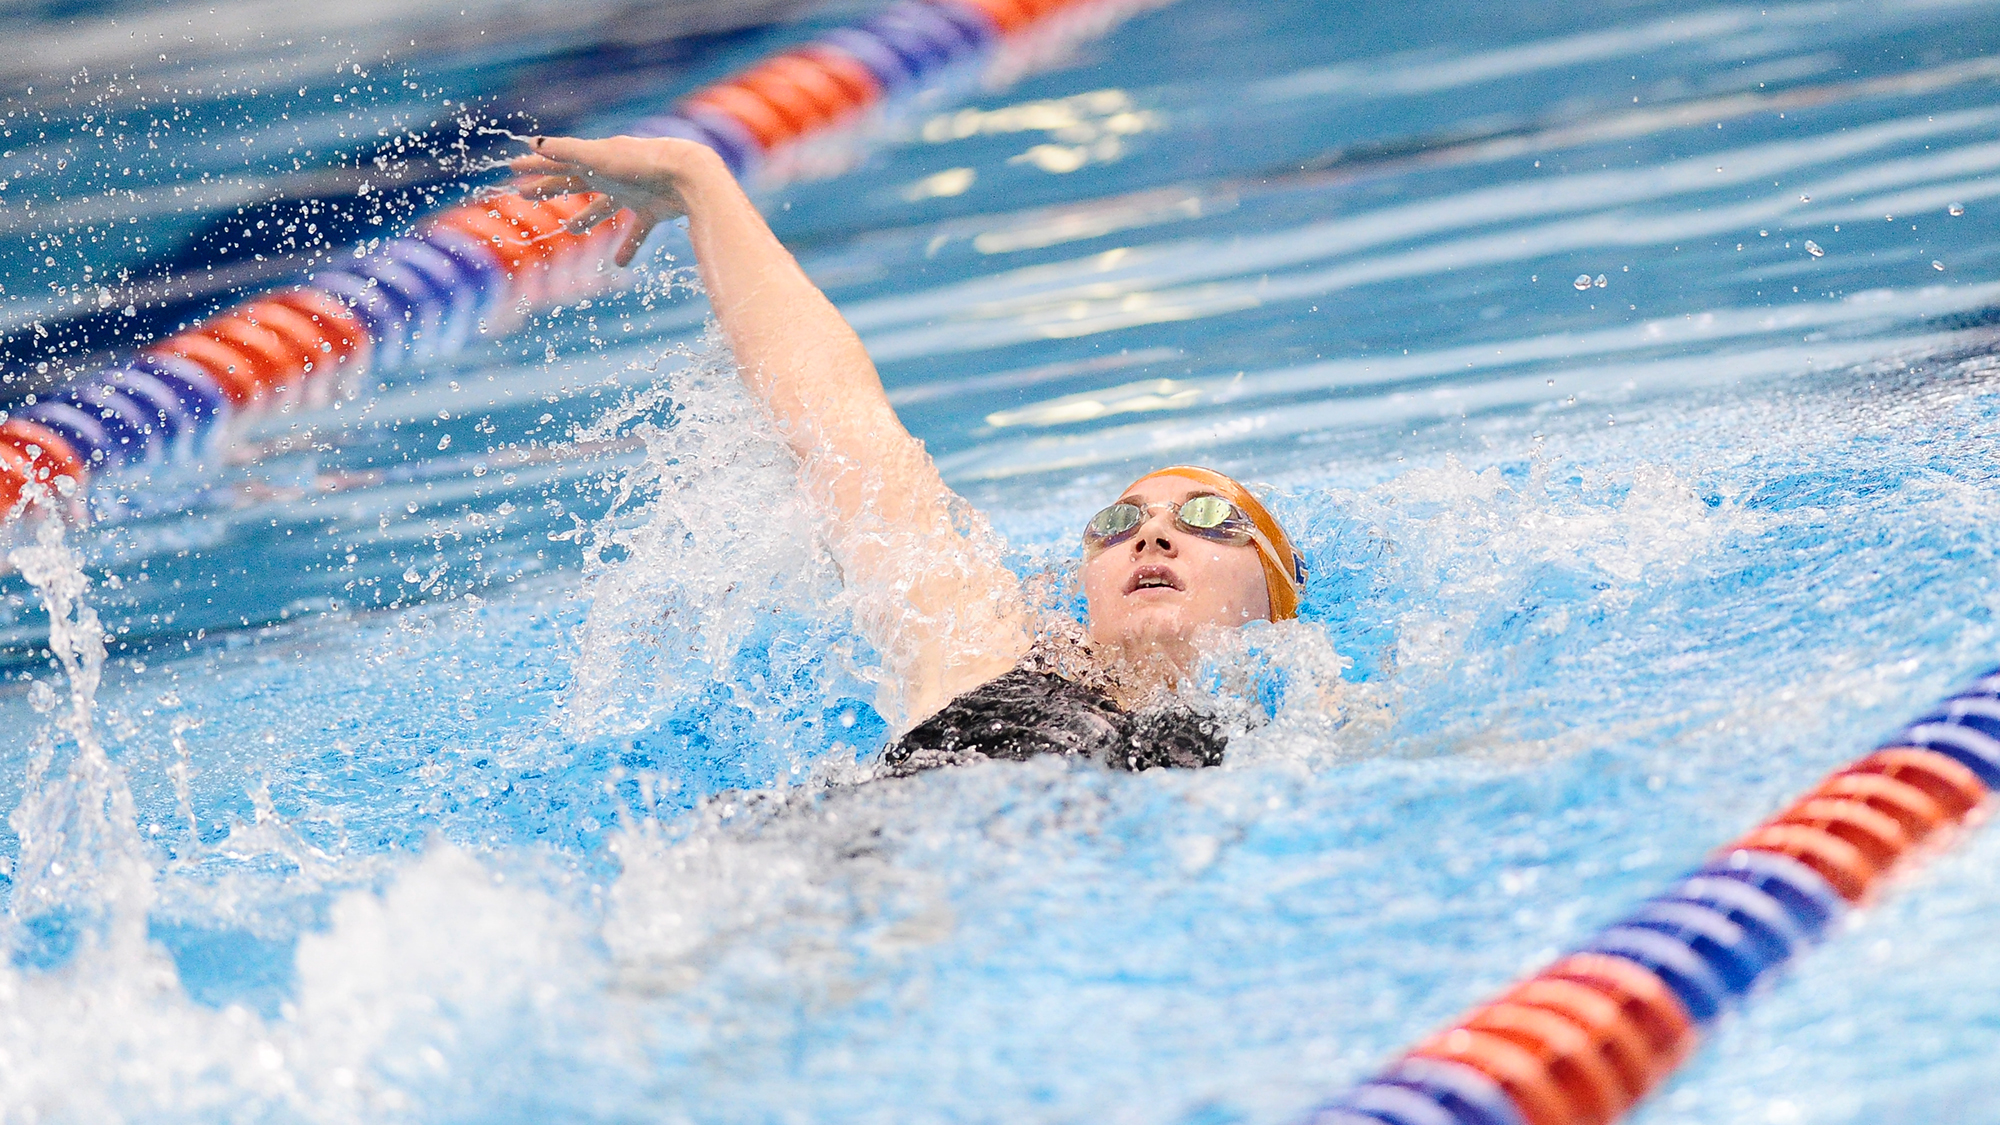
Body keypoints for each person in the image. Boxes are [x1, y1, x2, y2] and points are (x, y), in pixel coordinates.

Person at [511, 135, 1307, 773]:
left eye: (1210, 518)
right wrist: (699, 179)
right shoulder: (980, 652)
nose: (1153, 535)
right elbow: (841, 426)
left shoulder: (1307, 743)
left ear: (1276, 596)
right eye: (1118, 520)